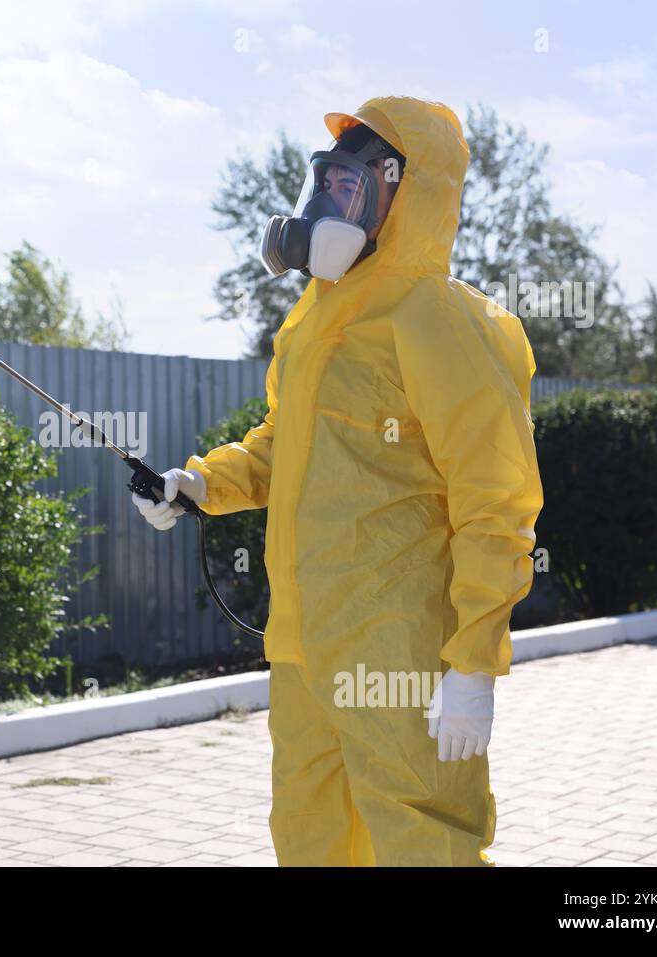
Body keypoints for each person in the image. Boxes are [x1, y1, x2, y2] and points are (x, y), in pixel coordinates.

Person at [133, 96, 544, 866]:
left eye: (348, 186)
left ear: (405, 190)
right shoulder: (314, 323)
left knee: (424, 841)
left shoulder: (441, 320)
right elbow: (281, 448)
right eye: (323, 182)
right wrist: (196, 483)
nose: (325, 203)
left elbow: (498, 498)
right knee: (309, 839)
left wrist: (472, 661)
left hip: (399, 652)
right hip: (302, 649)